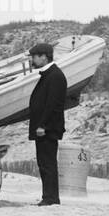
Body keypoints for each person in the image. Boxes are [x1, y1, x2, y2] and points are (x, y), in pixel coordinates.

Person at [28, 42, 69, 206]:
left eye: (34, 56)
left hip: (46, 129)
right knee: (44, 163)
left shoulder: (55, 76)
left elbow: (54, 105)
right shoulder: (49, 74)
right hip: (43, 129)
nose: (32, 60)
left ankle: (51, 198)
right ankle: (48, 197)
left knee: (48, 163)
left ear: (44, 57)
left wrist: (43, 126)